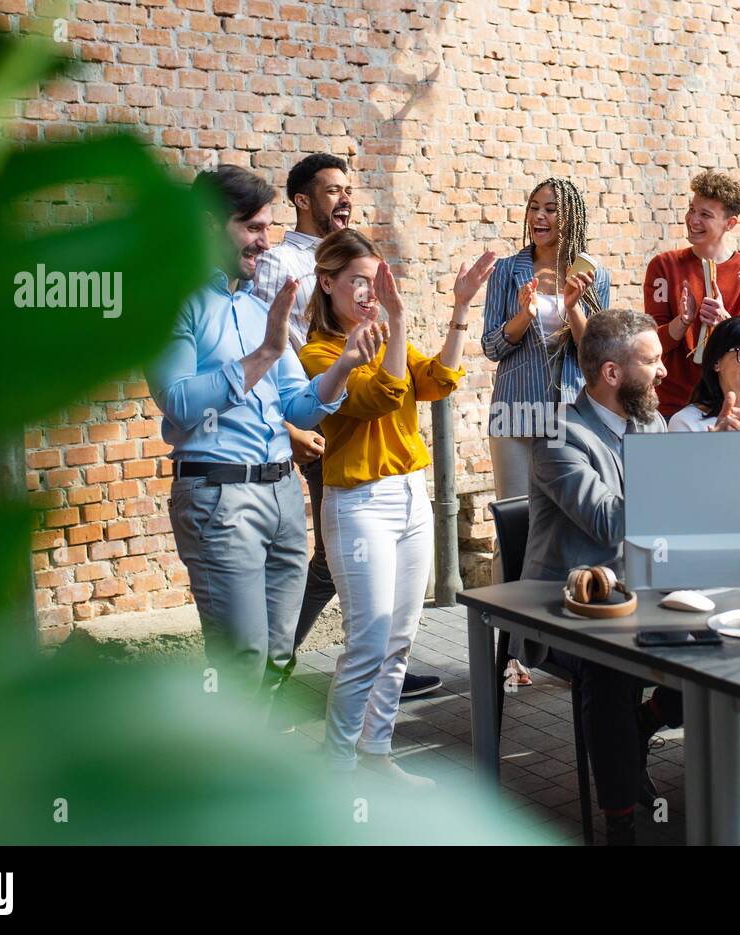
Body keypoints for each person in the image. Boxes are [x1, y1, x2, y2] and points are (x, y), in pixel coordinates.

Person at [149, 166, 382, 703]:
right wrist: (265, 356)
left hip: (282, 494)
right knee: (241, 658)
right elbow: (179, 403)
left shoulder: (257, 309)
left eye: (267, 226)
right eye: (252, 227)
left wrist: (343, 367)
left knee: (279, 655)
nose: (265, 240)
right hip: (218, 498)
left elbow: (297, 407)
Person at [299, 228, 493, 786]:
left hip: (411, 494)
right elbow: (376, 396)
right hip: (359, 503)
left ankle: (376, 755)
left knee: (401, 637)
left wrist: (459, 307)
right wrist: (397, 319)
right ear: (327, 282)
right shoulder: (320, 350)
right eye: (357, 281)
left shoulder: (384, 335)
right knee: (367, 641)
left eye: (373, 280)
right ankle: (337, 768)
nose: (367, 291)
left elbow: (436, 382)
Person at [254, 153, 446, 701]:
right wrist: (290, 426)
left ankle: (369, 663)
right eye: (332, 190)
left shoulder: (351, 259)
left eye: (347, 189)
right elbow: (265, 354)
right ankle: (285, 662)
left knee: (327, 558)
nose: (345, 199)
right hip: (321, 419)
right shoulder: (279, 265)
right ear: (302, 200)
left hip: (349, 412)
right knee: (327, 555)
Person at [520, 308, 682, 845]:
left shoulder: (651, 423)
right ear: (612, 373)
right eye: (652, 360)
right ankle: (619, 824)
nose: (663, 371)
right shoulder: (558, 435)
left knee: (720, 642)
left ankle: (645, 722)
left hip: (643, 592)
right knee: (611, 668)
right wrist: (684, 472)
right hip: (563, 608)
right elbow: (611, 523)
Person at [481, 179, 608, 536]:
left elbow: (597, 358)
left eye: (551, 209)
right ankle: (507, 592)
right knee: (516, 526)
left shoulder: (594, 276)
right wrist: (524, 316)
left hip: (573, 416)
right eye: (534, 207)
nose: (539, 216)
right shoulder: (507, 271)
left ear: (571, 218)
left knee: (571, 524)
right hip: (514, 413)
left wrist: (573, 308)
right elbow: (492, 347)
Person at [643, 170, 740, 419]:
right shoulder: (663, 265)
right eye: (692, 209)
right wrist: (682, 322)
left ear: (730, 223)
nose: (693, 220)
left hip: (727, 405)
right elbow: (653, 342)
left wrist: (725, 323)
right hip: (670, 403)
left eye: (705, 215)